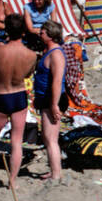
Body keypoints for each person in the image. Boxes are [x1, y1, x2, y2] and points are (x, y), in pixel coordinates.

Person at [0, 14, 36, 191]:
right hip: (19, 96)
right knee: (16, 141)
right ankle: (12, 181)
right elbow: (27, 75)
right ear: (23, 32)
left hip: (3, 95)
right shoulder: (31, 54)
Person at [33, 22, 67, 185]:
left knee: (50, 137)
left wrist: (54, 105)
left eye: (43, 32)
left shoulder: (56, 54)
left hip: (52, 99)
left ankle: (56, 173)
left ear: (51, 35)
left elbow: (57, 81)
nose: (40, 34)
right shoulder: (48, 51)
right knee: (47, 137)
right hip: (45, 98)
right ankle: (54, 170)